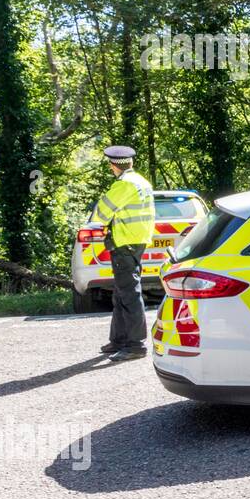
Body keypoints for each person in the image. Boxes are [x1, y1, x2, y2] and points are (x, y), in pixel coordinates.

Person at [91, 146, 155, 361]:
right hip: (137, 241)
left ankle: (136, 345)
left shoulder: (124, 184)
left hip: (124, 241)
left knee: (129, 293)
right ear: (130, 163)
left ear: (113, 165)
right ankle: (118, 339)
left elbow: (100, 214)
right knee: (121, 291)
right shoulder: (142, 182)